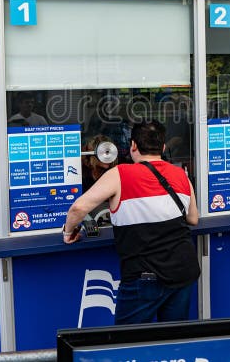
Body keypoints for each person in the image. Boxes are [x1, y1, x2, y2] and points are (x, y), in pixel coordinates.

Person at [63, 120, 200, 324]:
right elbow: (193, 219)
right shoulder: (180, 174)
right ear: (163, 147)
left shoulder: (120, 174)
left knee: (128, 344)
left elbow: (78, 208)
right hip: (184, 270)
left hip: (144, 278)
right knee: (173, 342)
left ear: (133, 145)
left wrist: (68, 232)